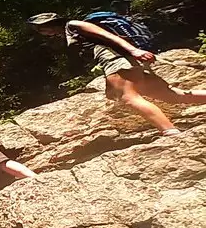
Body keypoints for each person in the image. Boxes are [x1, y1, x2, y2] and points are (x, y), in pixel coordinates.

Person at [28, 12, 206, 136]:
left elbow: (107, 36)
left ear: (48, 24)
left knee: (128, 98)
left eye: (41, 29)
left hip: (118, 61)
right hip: (126, 61)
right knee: (171, 95)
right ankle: (170, 129)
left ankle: (171, 132)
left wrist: (134, 50)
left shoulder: (74, 25)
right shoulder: (69, 31)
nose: (43, 33)